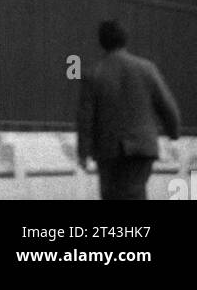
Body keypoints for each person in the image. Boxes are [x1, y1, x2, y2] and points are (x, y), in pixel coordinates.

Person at [77, 19, 181, 201]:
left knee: (111, 194)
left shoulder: (93, 74)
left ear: (101, 42)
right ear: (125, 39)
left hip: (109, 151)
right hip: (142, 148)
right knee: (135, 191)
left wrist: (83, 152)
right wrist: (173, 132)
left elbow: (85, 118)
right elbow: (167, 105)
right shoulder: (147, 68)